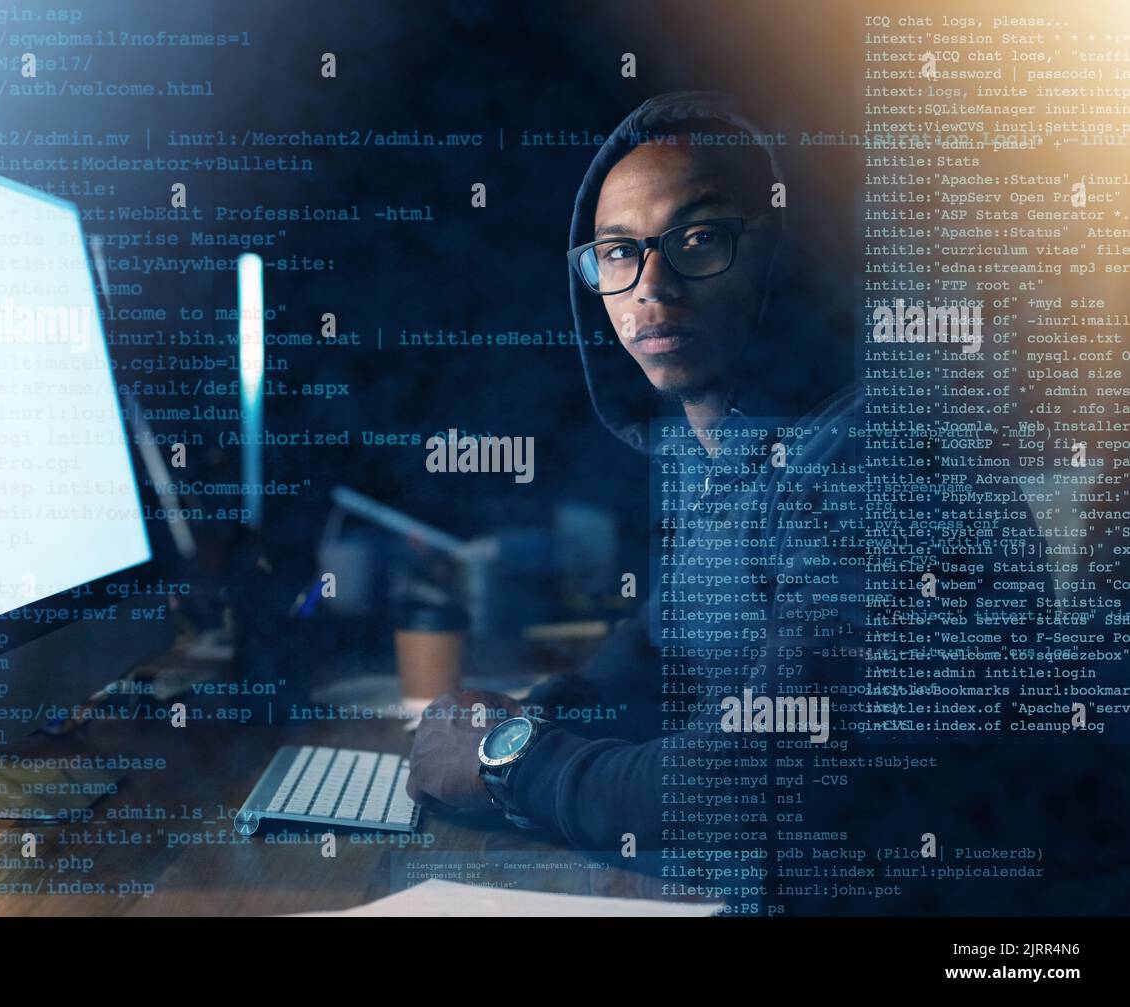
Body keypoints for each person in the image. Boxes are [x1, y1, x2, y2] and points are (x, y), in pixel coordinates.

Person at [405, 92, 1100, 916]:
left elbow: (754, 782)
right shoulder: (733, 456)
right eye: (616, 253)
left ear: (783, 253)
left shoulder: (875, 463)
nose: (650, 285)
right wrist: (524, 716)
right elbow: (653, 657)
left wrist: (506, 761)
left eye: (698, 238)